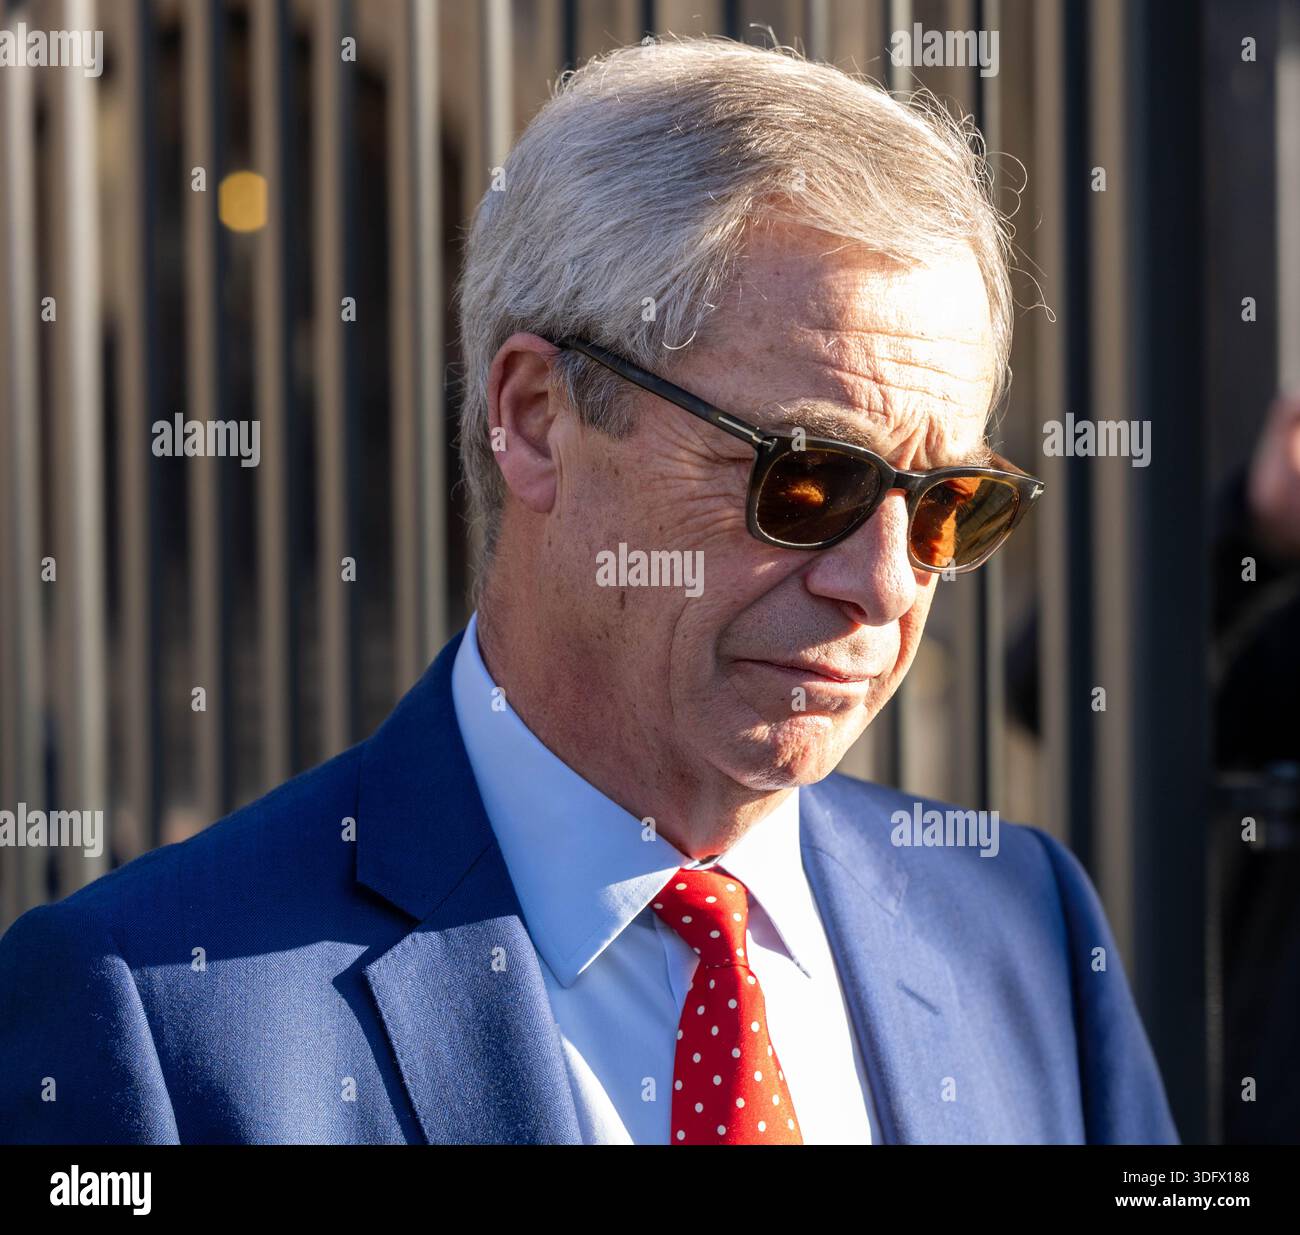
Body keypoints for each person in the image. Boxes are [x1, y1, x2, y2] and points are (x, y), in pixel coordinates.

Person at [0, 35, 1176, 1145]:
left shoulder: (1021, 920)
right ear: (534, 418)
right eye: (805, 479)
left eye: (943, 507)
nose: (881, 584)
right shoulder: (157, 1007)